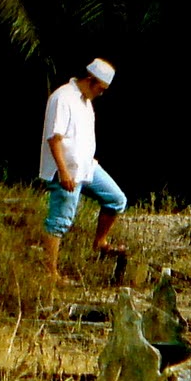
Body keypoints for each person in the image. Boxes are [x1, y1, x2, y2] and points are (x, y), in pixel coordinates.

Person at [40, 58, 127, 282]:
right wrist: (64, 172)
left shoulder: (86, 102)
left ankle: (100, 241)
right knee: (60, 220)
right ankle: (49, 272)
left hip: (86, 166)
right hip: (66, 169)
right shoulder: (62, 98)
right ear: (91, 80)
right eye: (101, 88)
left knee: (116, 199)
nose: (102, 93)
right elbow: (54, 138)